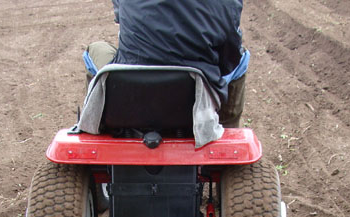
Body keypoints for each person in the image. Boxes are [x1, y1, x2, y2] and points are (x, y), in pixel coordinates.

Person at [83, 0, 248, 128]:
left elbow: (121, 16)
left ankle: (101, 125)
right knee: (240, 61)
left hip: (131, 90)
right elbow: (229, 55)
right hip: (192, 95)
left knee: (96, 49)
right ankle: (227, 131)